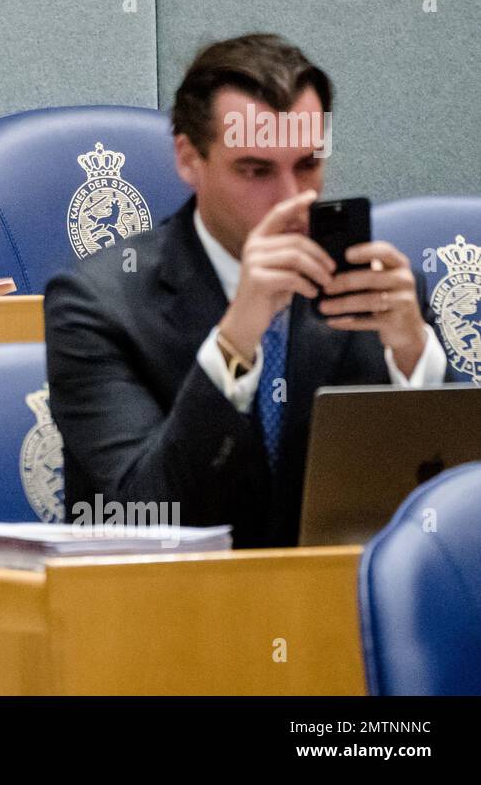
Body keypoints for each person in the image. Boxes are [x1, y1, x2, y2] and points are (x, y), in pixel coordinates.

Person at [44, 34, 447, 547]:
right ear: (190, 159)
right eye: (255, 171)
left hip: (337, 607)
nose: (292, 199)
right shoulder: (95, 306)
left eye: (307, 165)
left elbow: (449, 511)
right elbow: (136, 515)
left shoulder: (377, 292)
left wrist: (414, 356)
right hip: (171, 610)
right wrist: (236, 340)